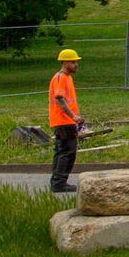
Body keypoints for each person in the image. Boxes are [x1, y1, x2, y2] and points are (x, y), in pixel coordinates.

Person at [48, 49, 84, 193]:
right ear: (64, 63)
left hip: (67, 121)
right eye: (73, 62)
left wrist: (76, 116)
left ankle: (57, 181)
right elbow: (60, 99)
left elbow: (70, 101)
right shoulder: (60, 78)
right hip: (63, 121)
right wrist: (73, 117)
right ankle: (59, 183)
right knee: (67, 152)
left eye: (76, 62)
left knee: (63, 151)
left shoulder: (67, 78)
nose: (76, 65)